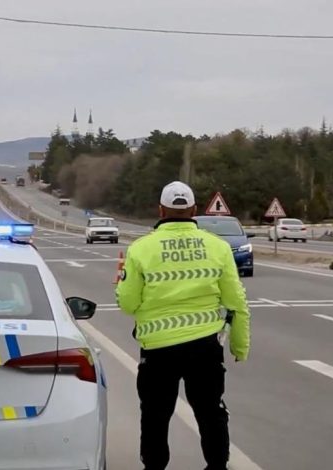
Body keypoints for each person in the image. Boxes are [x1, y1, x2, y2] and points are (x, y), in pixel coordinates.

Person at [115, 181, 251, 470]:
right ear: (194, 210)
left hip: (158, 350)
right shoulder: (218, 247)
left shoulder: (140, 250)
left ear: (161, 210)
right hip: (204, 348)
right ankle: (217, 466)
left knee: (154, 414)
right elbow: (237, 302)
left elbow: (127, 303)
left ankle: (154, 466)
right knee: (210, 411)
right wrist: (240, 346)